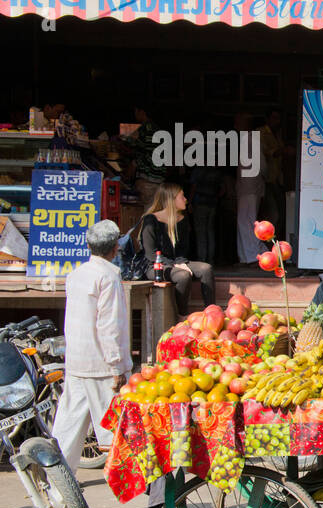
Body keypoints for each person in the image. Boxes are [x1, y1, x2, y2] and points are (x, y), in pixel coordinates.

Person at [51, 221, 132, 474]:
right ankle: (135, 486)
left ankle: (55, 483)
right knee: (117, 435)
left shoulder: (76, 275)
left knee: (68, 431)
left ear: (88, 246)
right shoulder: (108, 277)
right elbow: (110, 326)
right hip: (101, 368)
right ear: (115, 248)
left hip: (77, 362)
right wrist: (117, 366)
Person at [140, 182, 215, 317]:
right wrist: (175, 265)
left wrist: (181, 262)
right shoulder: (150, 220)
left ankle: (212, 312)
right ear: (171, 200)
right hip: (155, 266)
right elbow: (150, 253)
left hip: (176, 262)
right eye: (182, 196)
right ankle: (181, 316)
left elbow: (183, 249)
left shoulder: (182, 220)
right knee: (183, 276)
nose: (186, 199)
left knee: (206, 269)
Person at [234, 111, 264, 264]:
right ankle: (245, 257)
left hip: (250, 186)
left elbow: (261, 164)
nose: (235, 124)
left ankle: (254, 256)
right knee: (244, 222)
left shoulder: (251, 139)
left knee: (248, 222)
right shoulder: (246, 139)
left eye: (238, 121)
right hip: (246, 186)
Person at [259, 109, 287, 230]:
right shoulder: (261, 133)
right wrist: (282, 151)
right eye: (274, 118)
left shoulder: (278, 134)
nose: (277, 121)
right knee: (272, 215)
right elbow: (264, 152)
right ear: (268, 119)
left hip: (277, 180)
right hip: (266, 180)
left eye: (279, 118)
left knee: (281, 213)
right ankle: (268, 243)